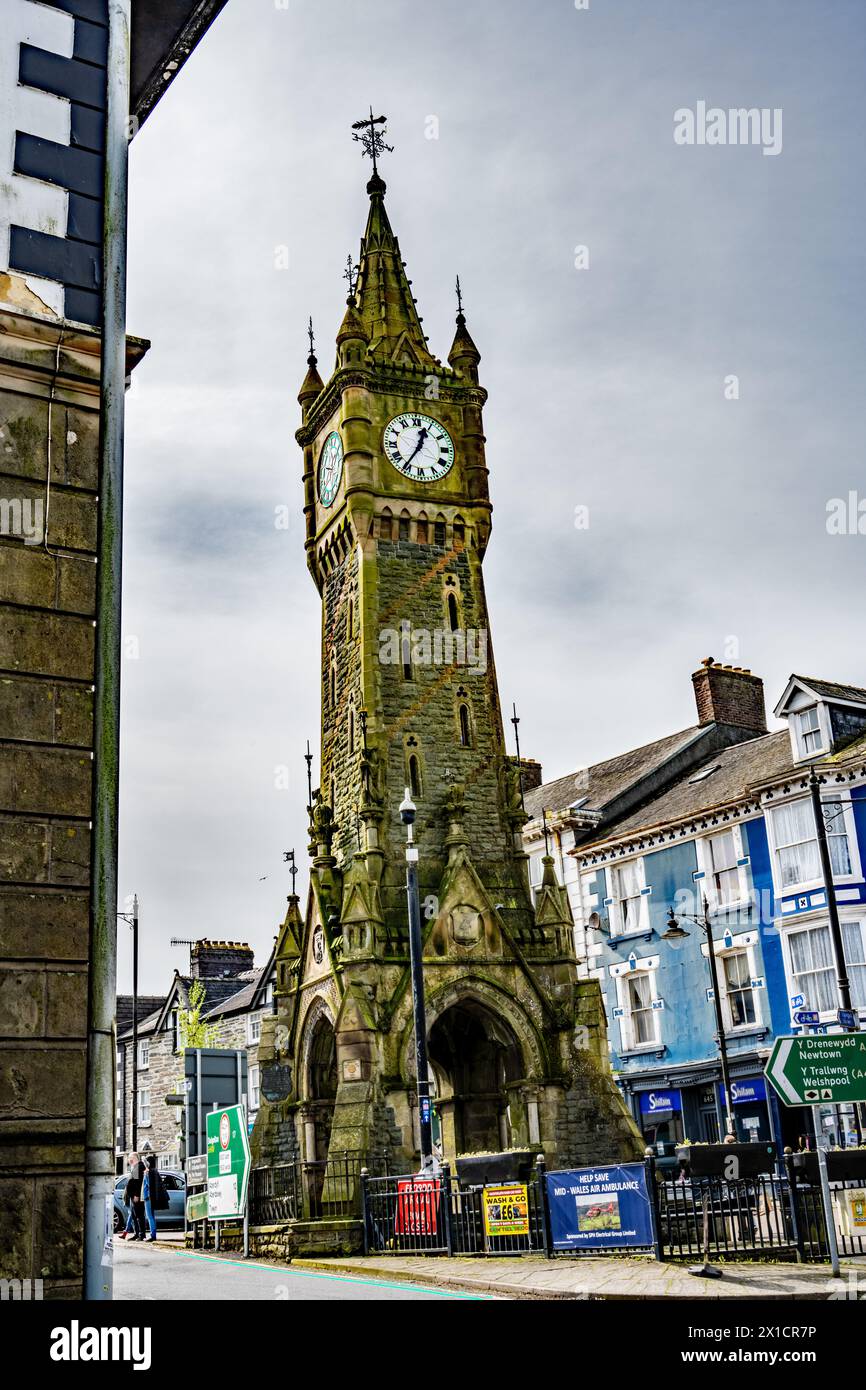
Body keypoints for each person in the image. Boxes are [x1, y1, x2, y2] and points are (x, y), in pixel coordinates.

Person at [123, 1150, 147, 1240]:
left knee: (139, 1216)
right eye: (129, 1158)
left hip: (136, 1196)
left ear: (136, 1158)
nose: (129, 1160)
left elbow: (138, 1183)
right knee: (134, 1216)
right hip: (133, 1196)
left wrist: (136, 1195)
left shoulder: (138, 1167)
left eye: (131, 1158)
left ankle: (141, 1234)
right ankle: (137, 1234)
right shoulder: (135, 1167)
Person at [142, 1154, 163, 1242]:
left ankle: (152, 1235)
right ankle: (153, 1234)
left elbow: (147, 1186)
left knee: (150, 1217)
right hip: (153, 1197)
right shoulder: (155, 1171)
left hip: (148, 1197)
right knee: (152, 1217)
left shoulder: (148, 1172)